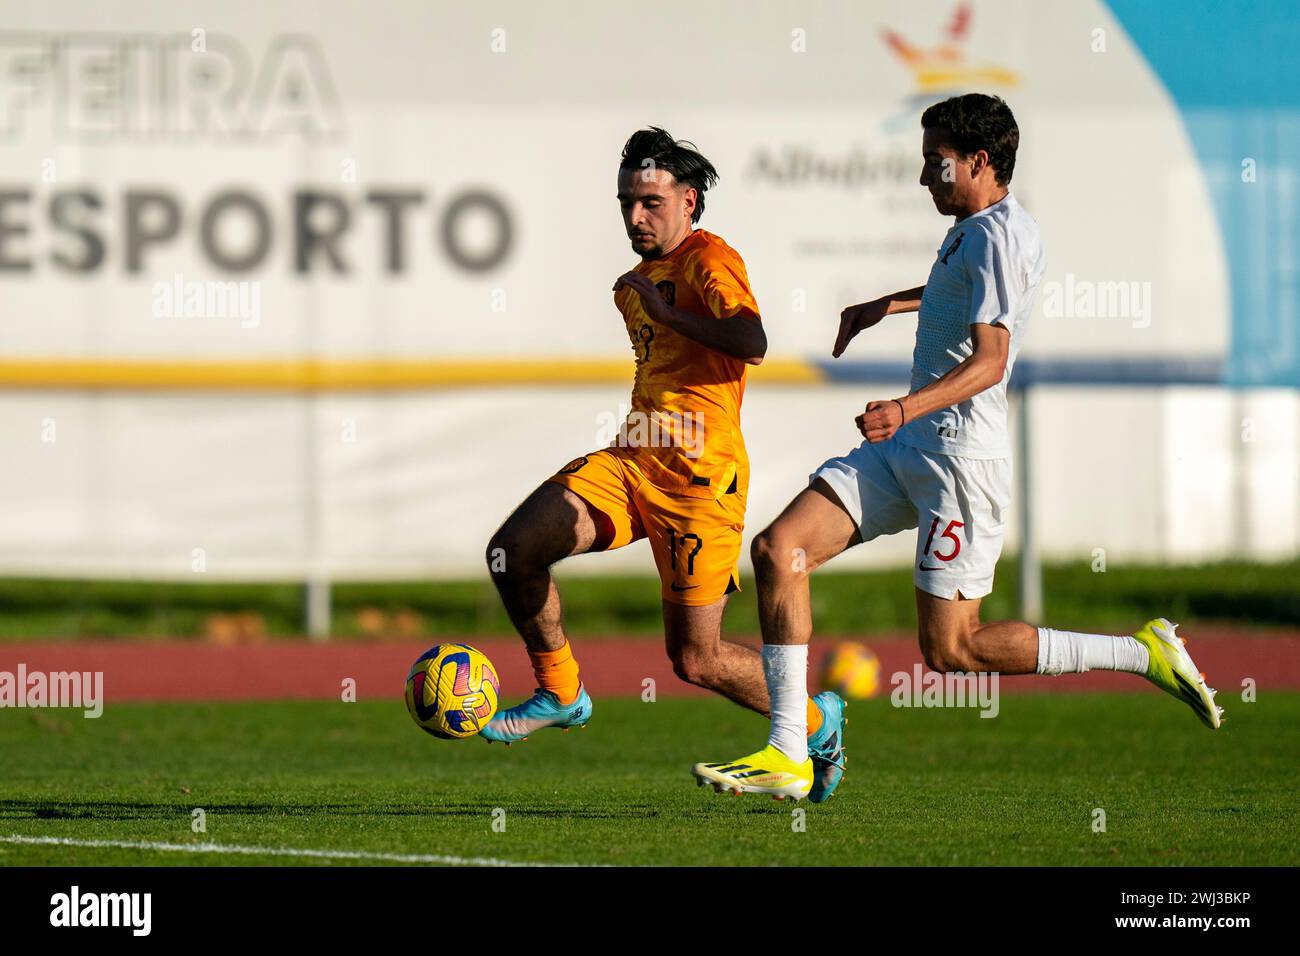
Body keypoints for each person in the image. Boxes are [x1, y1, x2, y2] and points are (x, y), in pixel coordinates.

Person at [693, 93, 1222, 802]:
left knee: (952, 650)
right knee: (778, 550)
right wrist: (890, 304)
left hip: (959, 466)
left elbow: (991, 361)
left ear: (979, 161)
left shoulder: (1000, 234)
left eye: (934, 164)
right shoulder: (975, 228)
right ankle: (789, 750)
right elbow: (959, 294)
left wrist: (902, 407)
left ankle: (1140, 652)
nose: (923, 180)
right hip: (910, 446)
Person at [480, 128, 848, 800]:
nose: (634, 216)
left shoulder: (710, 260)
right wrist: (653, 302)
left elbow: (751, 341)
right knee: (513, 551)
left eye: (650, 202)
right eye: (626, 203)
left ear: (689, 200)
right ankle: (561, 690)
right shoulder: (638, 282)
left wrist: (664, 309)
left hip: (700, 486)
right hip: (631, 462)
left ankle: (817, 721)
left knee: (694, 660)